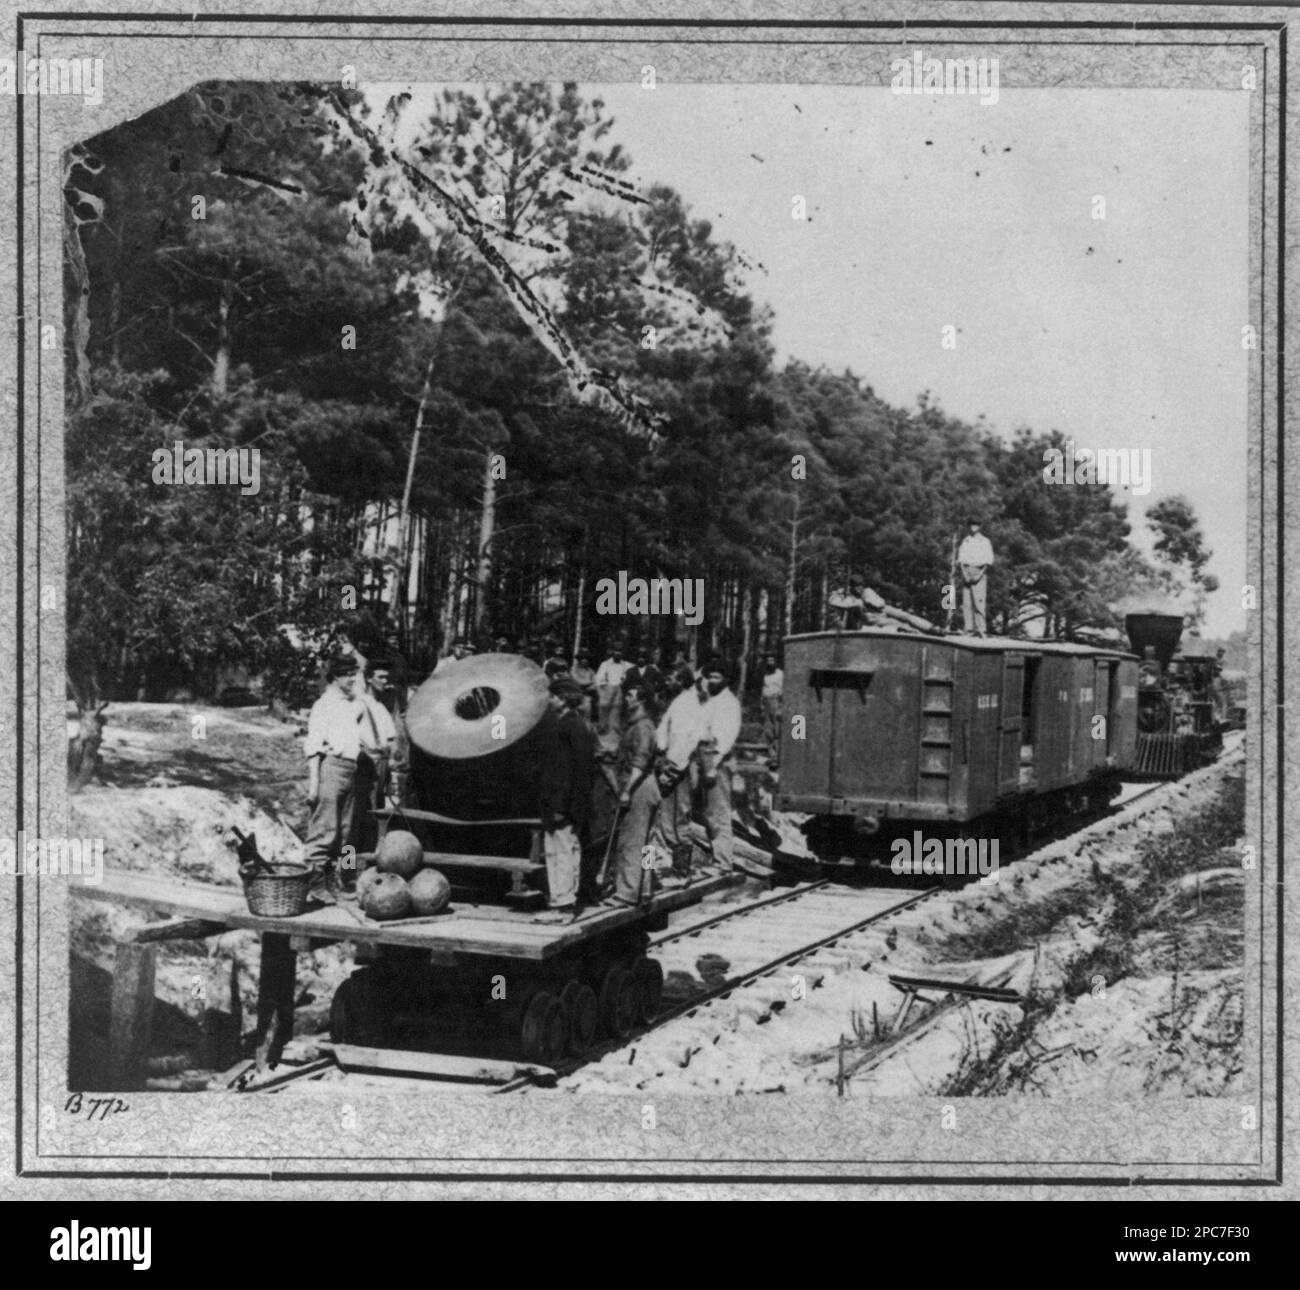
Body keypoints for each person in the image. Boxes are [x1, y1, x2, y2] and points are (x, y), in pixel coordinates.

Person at [302, 655, 394, 904]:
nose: (354, 679)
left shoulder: (354, 704)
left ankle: (342, 879)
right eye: (348, 675)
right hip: (331, 769)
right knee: (325, 831)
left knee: (347, 833)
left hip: (352, 771)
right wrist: (313, 787)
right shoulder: (324, 705)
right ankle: (316, 883)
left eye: (355, 674)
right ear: (335, 677)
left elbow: (370, 734)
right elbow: (313, 748)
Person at [535, 676, 597, 922]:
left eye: (552, 696)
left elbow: (580, 772)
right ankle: (558, 901)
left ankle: (566, 905)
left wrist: (571, 807)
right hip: (555, 804)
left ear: (561, 699)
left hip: (564, 805)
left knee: (565, 851)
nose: (549, 700)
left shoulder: (574, 727)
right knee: (554, 852)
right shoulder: (563, 724)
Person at [607, 682, 661, 907]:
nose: (626, 699)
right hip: (649, 785)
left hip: (639, 786)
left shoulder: (641, 727)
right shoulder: (644, 725)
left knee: (632, 842)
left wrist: (627, 791)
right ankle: (645, 888)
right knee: (649, 844)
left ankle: (627, 893)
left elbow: (640, 761)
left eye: (630, 695)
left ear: (640, 700)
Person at [352, 660, 404, 859]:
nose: (385, 681)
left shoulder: (382, 707)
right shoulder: (358, 703)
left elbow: (391, 740)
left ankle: (367, 862)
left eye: (387, 678)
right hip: (364, 764)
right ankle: (348, 868)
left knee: (374, 817)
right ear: (368, 679)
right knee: (355, 819)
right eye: (380, 677)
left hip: (382, 766)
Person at [696, 661, 742, 871]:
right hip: (704, 758)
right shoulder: (711, 701)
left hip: (718, 760)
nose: (712, 681)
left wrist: (712, 765)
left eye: (717, 677)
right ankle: (712, 857)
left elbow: (726, 737)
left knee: (719, 812)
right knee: (708, 812)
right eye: (710, 677)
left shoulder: (728, 703)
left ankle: (723, 862)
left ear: (725, 680)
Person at [957, 518, 994, 636]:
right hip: (967, 571)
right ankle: (968, 629)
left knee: (979, 602)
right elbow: (961, 560)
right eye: (972, 525)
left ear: (980, 526)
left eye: (976, 525)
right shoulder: (966, 540)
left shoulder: (985, 541)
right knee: (967, 603)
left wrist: (979, 575)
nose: (974, 527)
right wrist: (964, 574)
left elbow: (988, 561)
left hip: (979, 571)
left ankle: (981, 630)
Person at [595, 642, 633, 738]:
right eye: (616, 651)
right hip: (607, 690)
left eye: (620, 651)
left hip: (619, 691)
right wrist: (605, 687)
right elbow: (598, 679)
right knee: (604, 708)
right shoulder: (605, 664)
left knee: (616, 709)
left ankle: (613, 730)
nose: (618, 653)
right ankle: (602, 728)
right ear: (612, 652)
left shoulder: (626, 665)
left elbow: (636, 670)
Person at [760, 653, 784, 753]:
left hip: (776, 700)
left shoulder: (780, 673)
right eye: (768, 661)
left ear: (775, 662)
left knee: (777, 725)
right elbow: (764, 688)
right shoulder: (766, 674)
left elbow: (784, 688)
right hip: (766, 701)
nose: (770, 663)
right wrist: (761, 703)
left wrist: (781, 704)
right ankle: (770, 750)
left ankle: (778, 749)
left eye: (772, 661)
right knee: (768, 726)